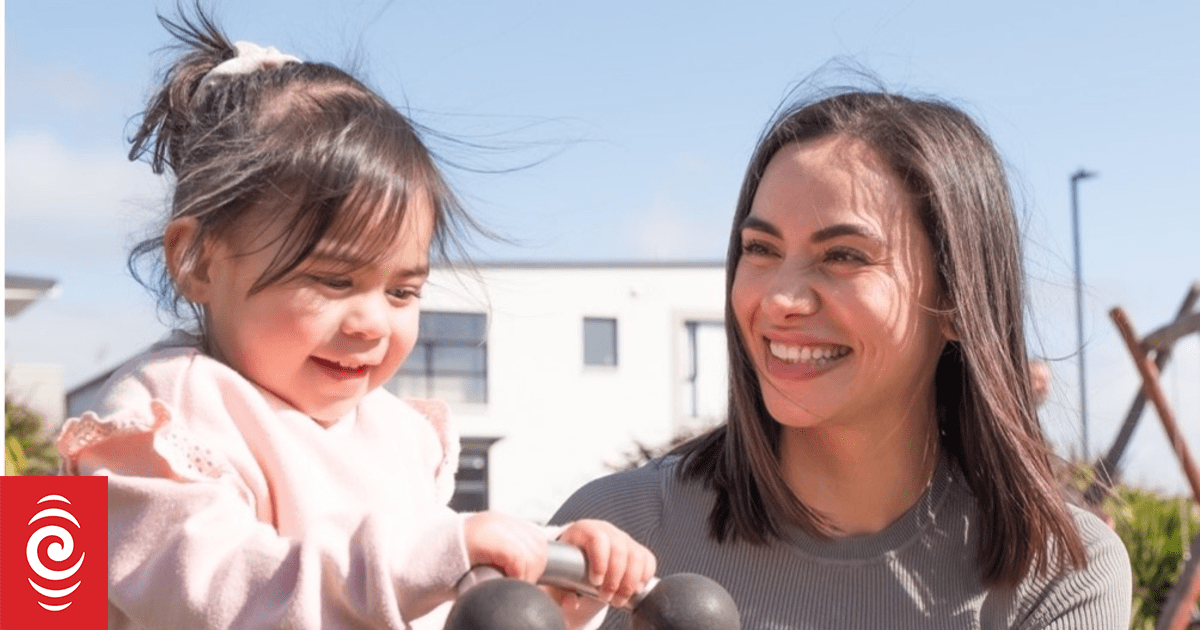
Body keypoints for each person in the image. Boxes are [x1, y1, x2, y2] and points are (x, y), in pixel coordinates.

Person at [56, 7, 653, 630]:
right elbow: (218, 593)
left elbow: (427, 575)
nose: (371, 322)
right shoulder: (165, 417)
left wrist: (548, 564)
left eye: (401, 292)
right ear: (200, 260)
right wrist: (432, 562)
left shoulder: (394, 433)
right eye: (334, 281)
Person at [552, 87, 1132, 628]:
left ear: (958, 299)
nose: (779, 299)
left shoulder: (1060, 573)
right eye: (760, 249)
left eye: (844, 256)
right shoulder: (615, 534)